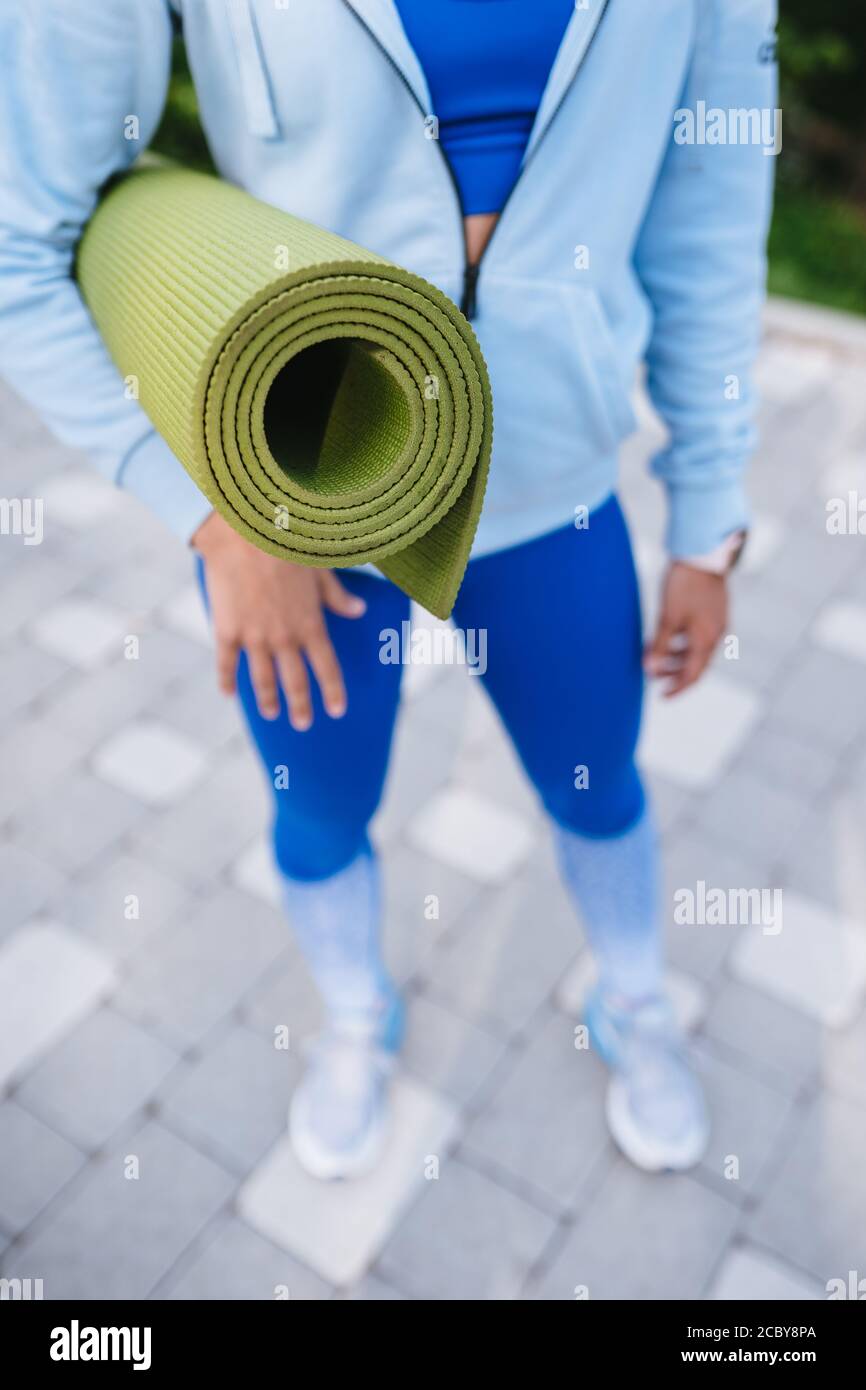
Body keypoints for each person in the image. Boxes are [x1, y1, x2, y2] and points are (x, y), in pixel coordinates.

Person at [0, 0, 776, 1178]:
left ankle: (633, 998)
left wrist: (708, 516)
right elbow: (26, 243)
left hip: (555, 479)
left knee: (597, 777)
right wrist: (213, 519)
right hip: (299, 506)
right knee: (317, 806)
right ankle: (356, 1014)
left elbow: (708, 215)